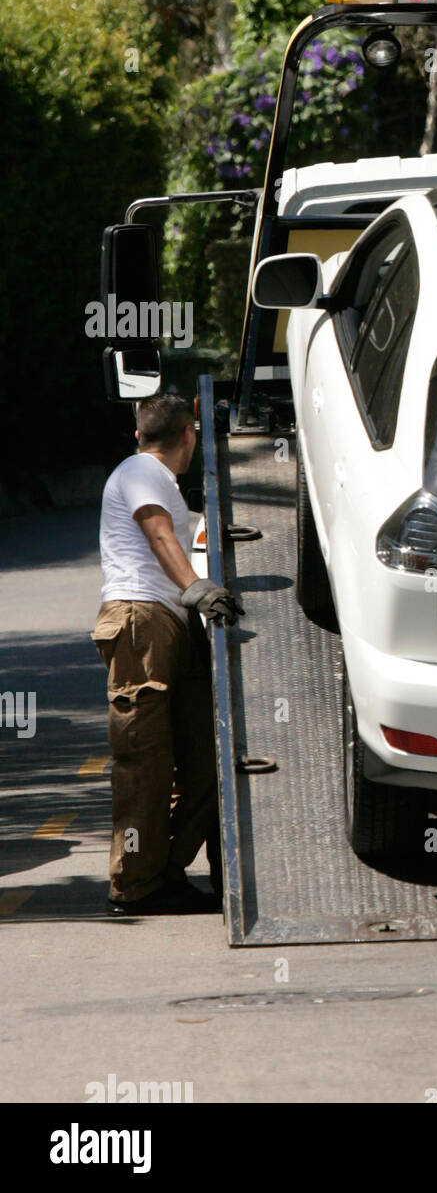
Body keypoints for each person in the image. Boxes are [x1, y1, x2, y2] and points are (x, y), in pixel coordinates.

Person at [91, 392, 243, 916]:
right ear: (188, 435)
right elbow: (158, 534)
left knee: (204, 762)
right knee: (145, 764)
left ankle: (164, 870)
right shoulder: (141, 471)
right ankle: (135, 883)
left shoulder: (162, 479)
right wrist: (198, 587)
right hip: (141, 620)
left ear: (140, 431)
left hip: (169, 626)